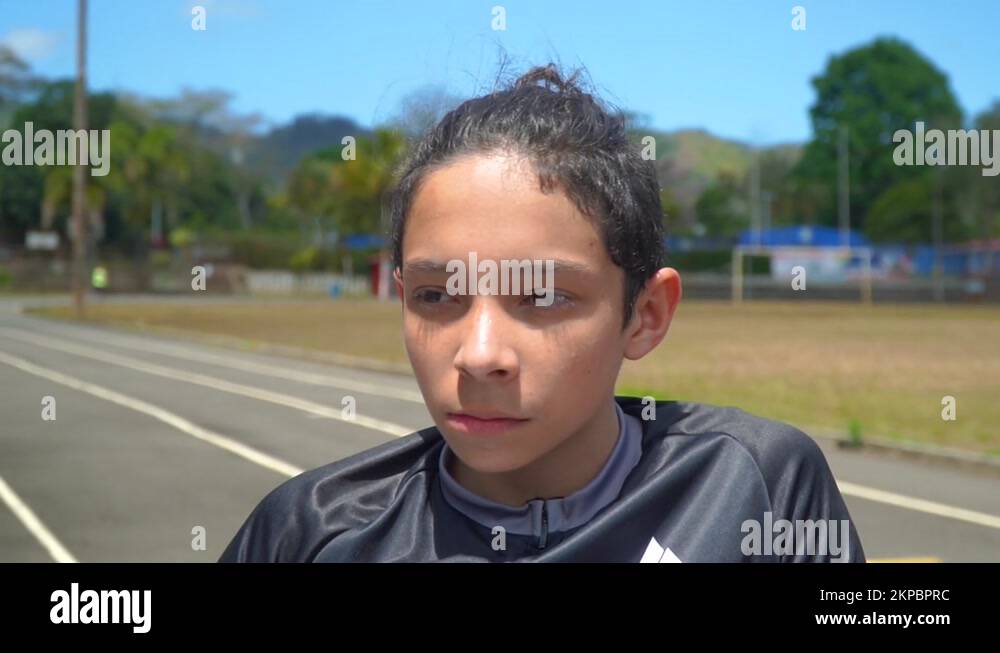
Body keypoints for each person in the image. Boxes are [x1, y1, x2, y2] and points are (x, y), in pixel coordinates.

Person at [219, 64, 864, 563]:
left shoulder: (753, 484)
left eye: (546, 297)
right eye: (436, 296)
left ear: (645, 316)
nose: (479, 355)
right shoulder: (311, 531)